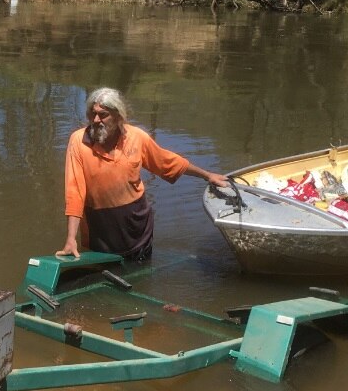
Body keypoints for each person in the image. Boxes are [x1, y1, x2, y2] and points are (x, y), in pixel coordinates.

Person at [57, 87, 228, 262]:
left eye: (103, 115)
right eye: (92, 114)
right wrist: (71, 238)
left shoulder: (137, 137)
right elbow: (75, 191)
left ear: (118, 117)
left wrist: (207, 175)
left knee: (140, 271)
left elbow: (167, 162)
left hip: (136, 225)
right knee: (101, 276)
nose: (96, 120)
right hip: (99, 228)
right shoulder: (79, 142)